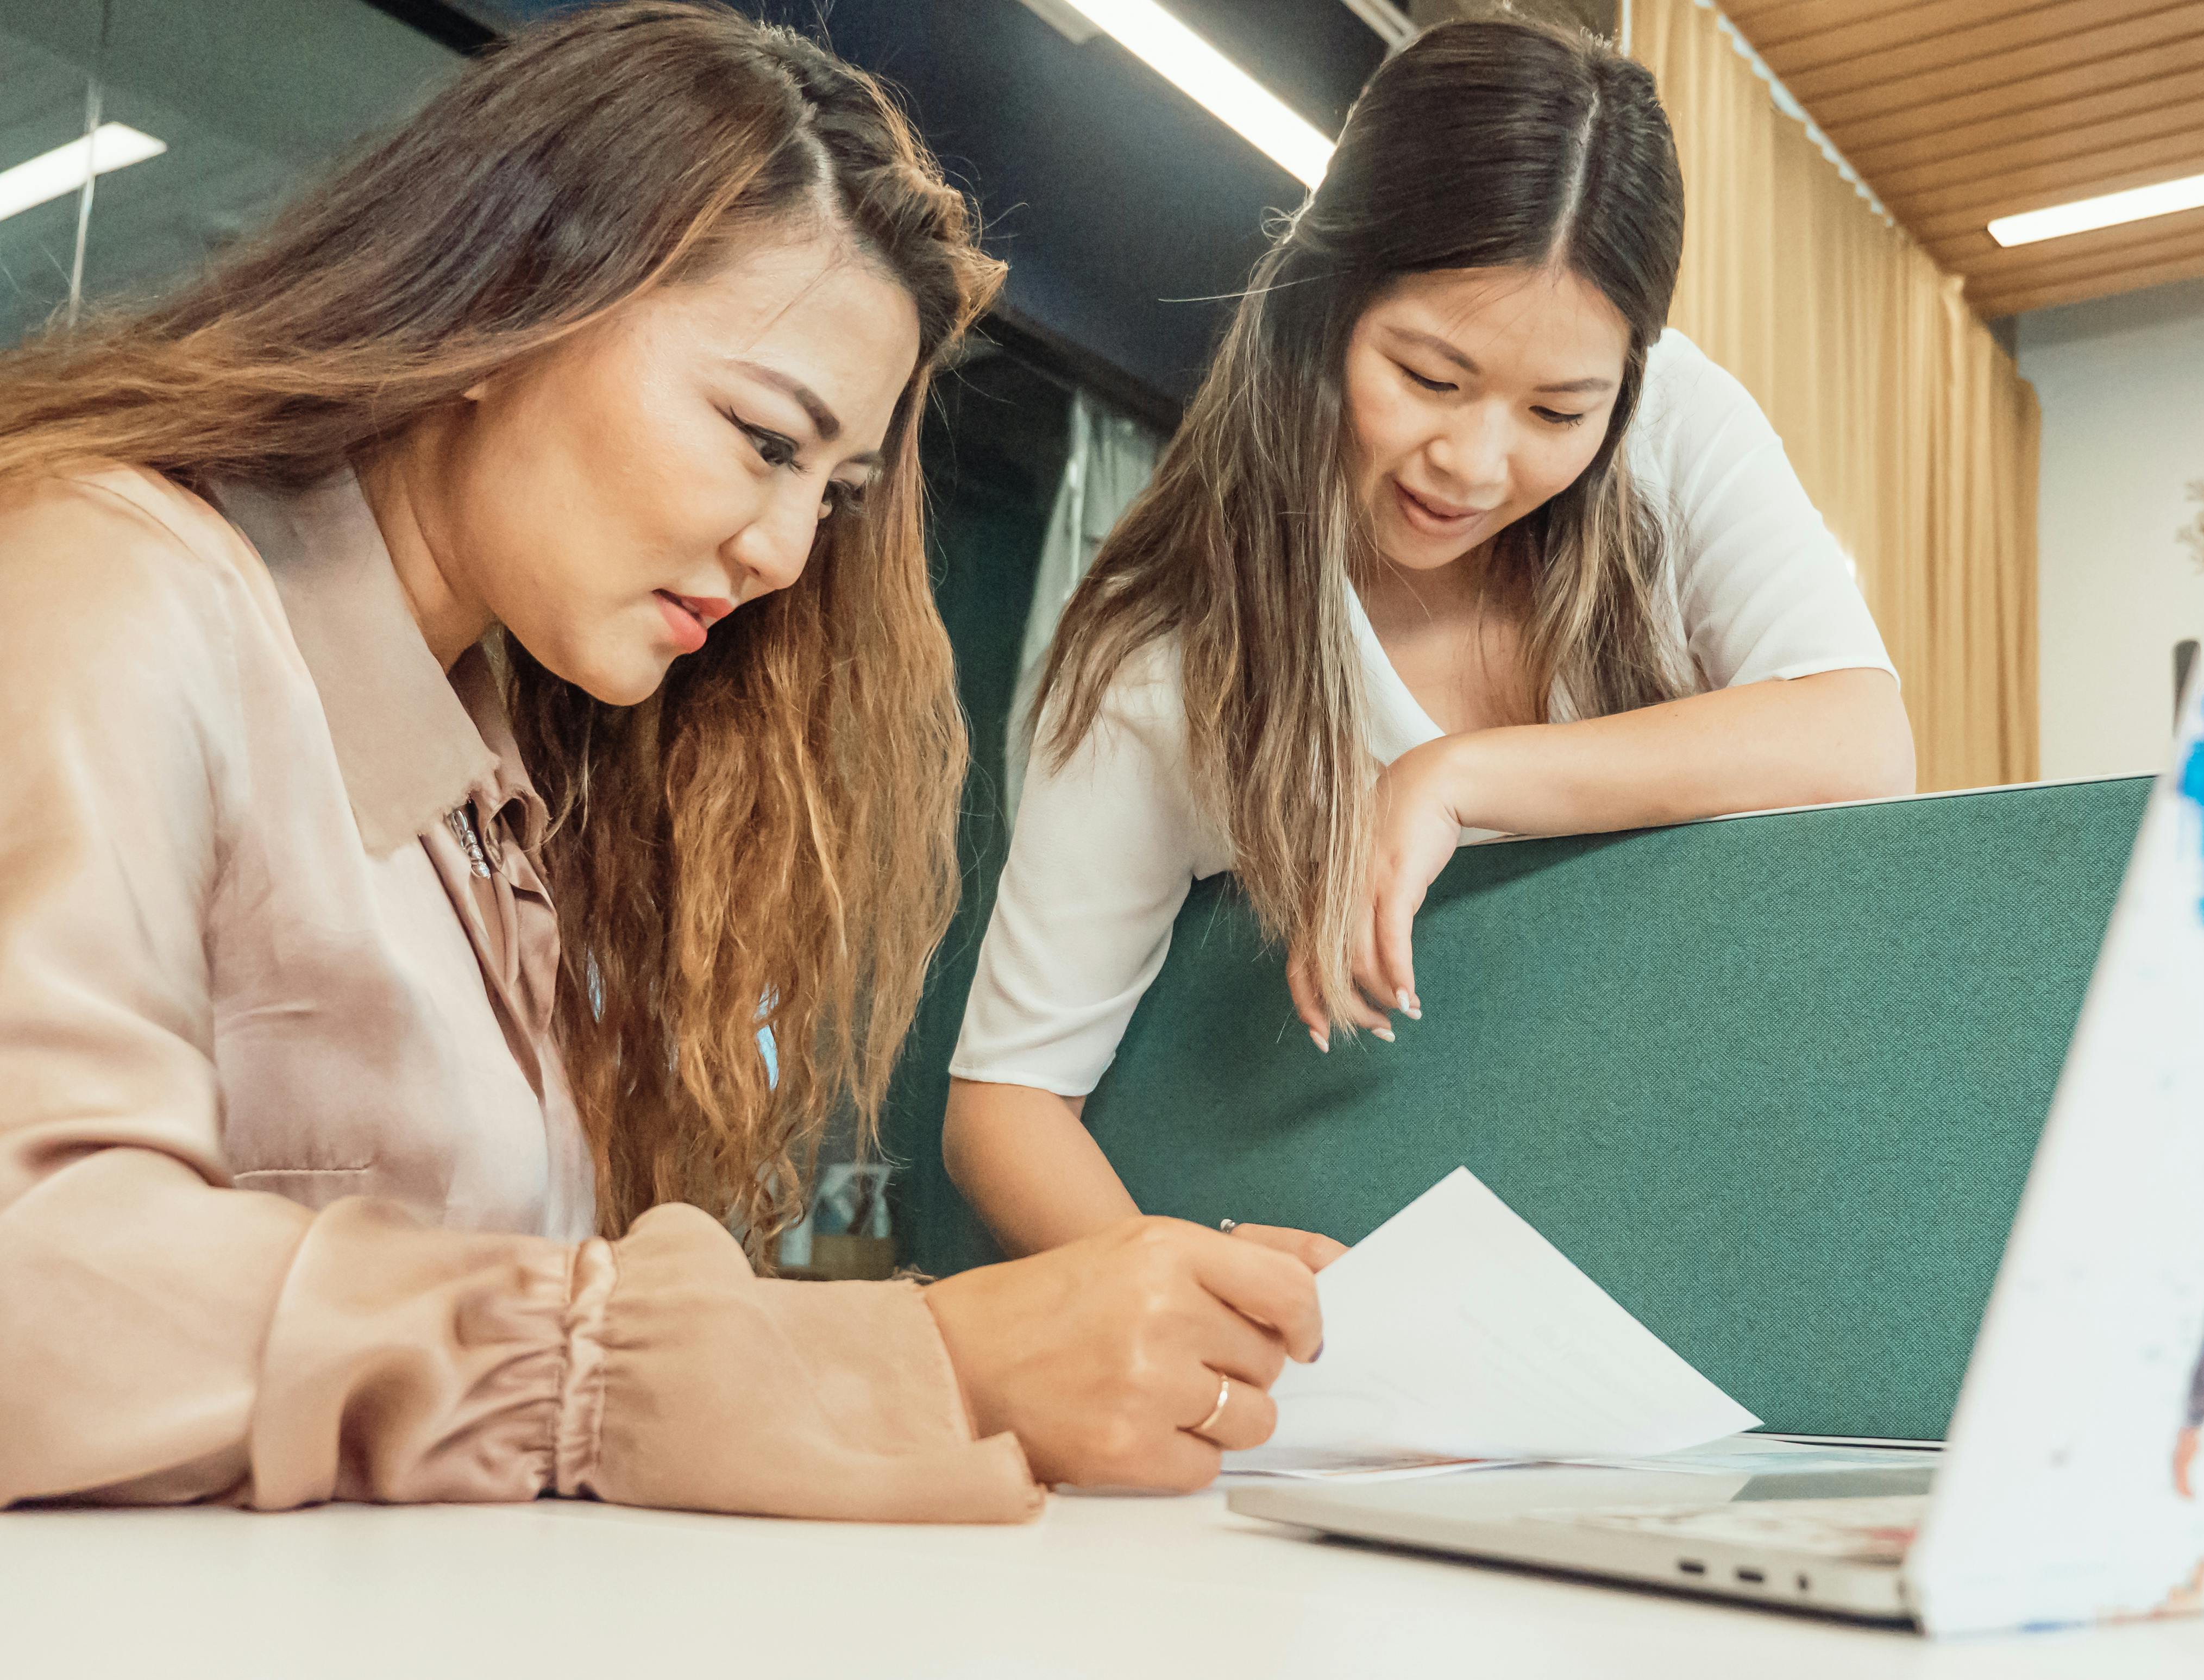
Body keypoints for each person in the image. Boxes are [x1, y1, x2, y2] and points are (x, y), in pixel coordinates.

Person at [0, 2, 1320, 1519]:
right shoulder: (106, 583)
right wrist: (898, 1350)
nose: (780, 553)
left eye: (835, 492)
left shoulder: (511, 797)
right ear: (509, 297)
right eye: (765, 437)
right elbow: (35, 1278)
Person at [945, 17, 1917, 1261]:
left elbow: (1858, 738)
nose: (1476, 462)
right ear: (1326, 307)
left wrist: (1454, 778)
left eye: (1560, 410)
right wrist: (1179, 1291)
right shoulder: (1174, 656)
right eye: (1431, 376)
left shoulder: (1675, 425)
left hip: (1716, 1225)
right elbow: (1008, 1105)